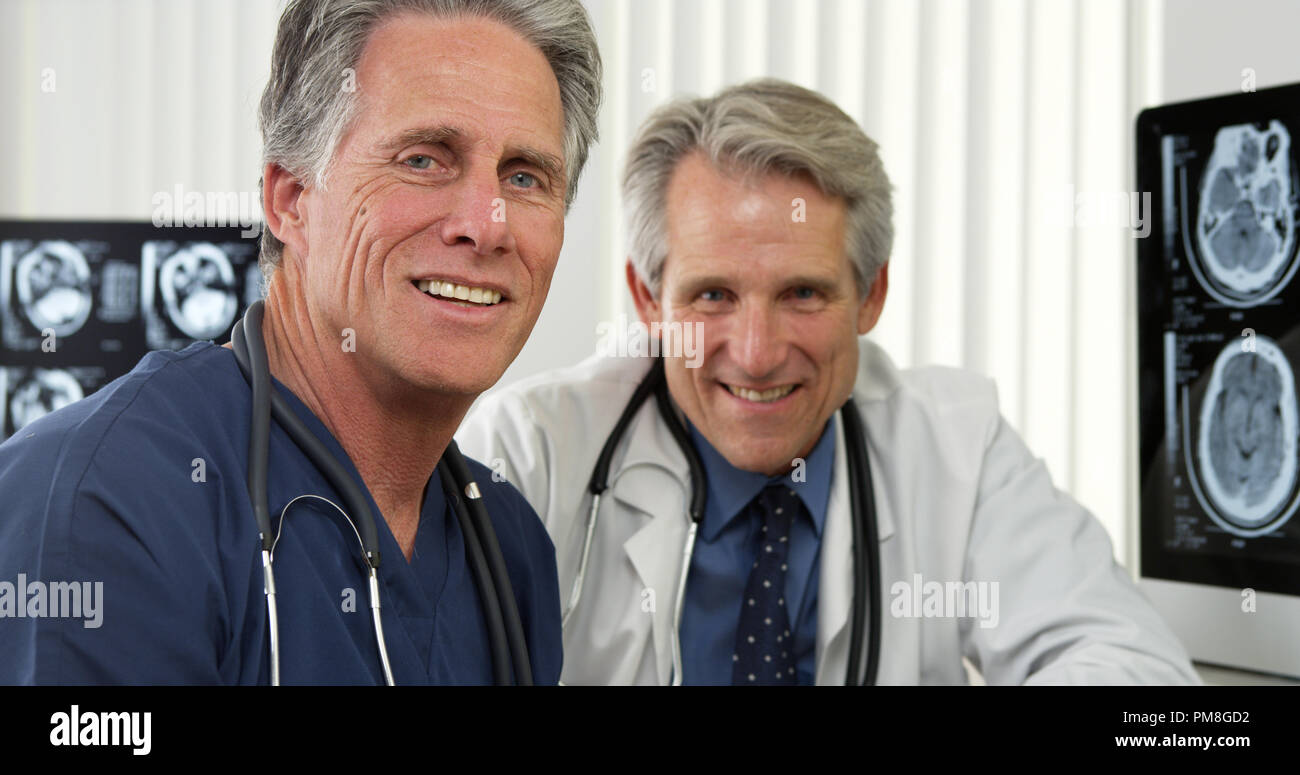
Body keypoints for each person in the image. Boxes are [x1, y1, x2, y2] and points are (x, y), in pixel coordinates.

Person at [457, 78, 1200, 685]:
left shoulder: (954, 449)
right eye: (712, 294)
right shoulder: (528, 454)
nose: (755, 353)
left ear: (871, 294)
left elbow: (1143, 679)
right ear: (650, 300)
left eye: (803, 294)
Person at [0, 0, 602, 685]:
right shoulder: (107, 506)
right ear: (289, 199)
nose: (485, 225)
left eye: (524, 176)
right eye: (424, 159)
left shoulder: (510, 548)